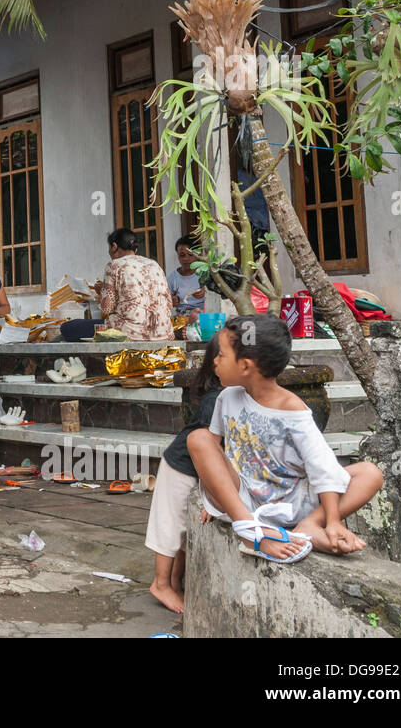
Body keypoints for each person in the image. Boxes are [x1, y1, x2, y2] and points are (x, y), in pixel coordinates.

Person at [188, 315, 384, 562]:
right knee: (198, 438)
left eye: (222, 355)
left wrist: (333, 521)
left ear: (246, 366)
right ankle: (250, 530)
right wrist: (215, 496)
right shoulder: (227, 397)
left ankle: (311, 525)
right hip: (245, 499)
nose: (214, 361)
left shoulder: (293, 410)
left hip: (294, 502)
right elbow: (212, 447)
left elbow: (323, 468)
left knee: (370, 473)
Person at [147, 335, 222, 614]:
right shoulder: (216, 401)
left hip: (198, 469)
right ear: (217, 364)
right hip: (180, 466)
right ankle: (161, 583)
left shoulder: (230, 397)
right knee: (169, 527)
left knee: (183, 532)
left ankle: (175, 581)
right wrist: (213, 495)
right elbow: (211, 449)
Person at [61, 228, 174, 342]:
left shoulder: (114, 265)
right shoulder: (154, 264)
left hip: (129, 332)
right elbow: (169, 304)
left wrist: (102, 292)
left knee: (68, 327)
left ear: (114, 246)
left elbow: (107, 308)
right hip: (163, 332)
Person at [168, 235, 206, 317]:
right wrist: (171, 301)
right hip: (180, 319)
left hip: (203, 318)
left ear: (198, 255)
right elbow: (164, 301)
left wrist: (207, 293)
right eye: (182, 255)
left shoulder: (206, 274)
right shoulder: (172, 278)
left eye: (190, 255)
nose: (186, 258)